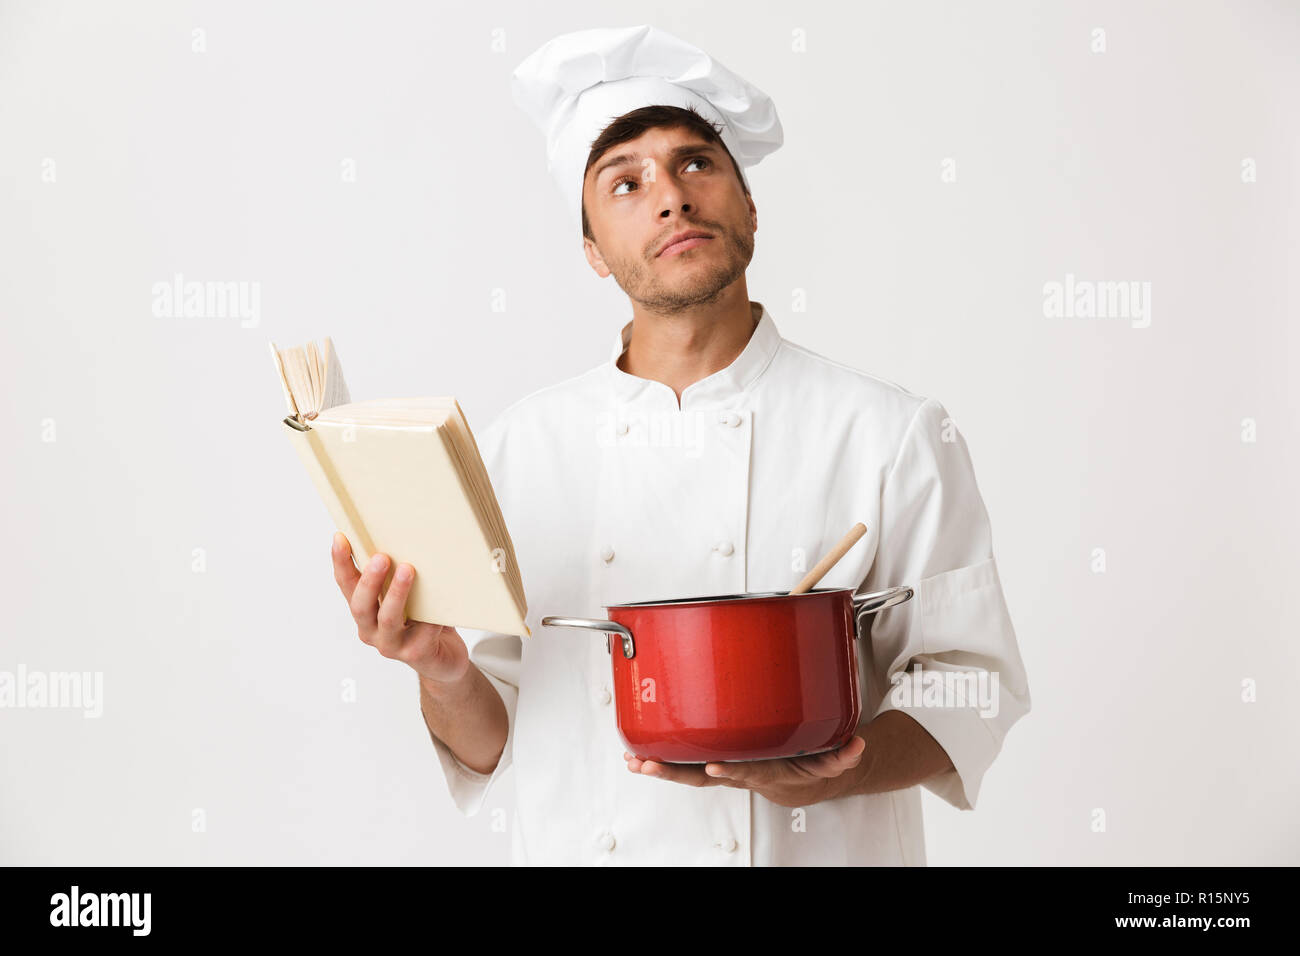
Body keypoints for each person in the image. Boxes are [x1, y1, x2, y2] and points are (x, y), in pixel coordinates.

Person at [330, 24, 1031, 865]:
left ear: (750, 205)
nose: (670, 195)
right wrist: (440, 671)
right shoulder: (520, 448)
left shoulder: (886, 431)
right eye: (624, 182)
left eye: (696, 162)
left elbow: (971, 686)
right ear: (591, 250)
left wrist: (838, 774)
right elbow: (491, 743)